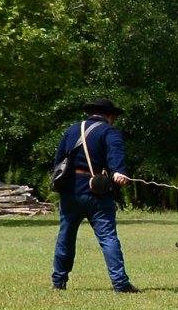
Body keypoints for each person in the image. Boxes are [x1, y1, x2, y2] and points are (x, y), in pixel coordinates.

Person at [52, 97, 138, 293]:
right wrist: (118, 172)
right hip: (96, 193)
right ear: (109, 115)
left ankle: (58, 282)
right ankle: (120, 284)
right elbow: (116, 157)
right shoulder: (109, 132)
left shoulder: (71, 130)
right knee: (108, 238)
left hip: (71, 192)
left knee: (65, 236)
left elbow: (58, 162)